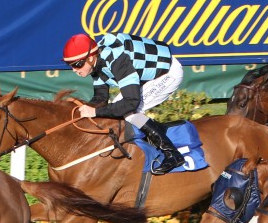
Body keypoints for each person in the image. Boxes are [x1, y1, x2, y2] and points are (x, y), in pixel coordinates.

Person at [62, 32, 184, 175]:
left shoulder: (117, 60)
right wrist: (81, 112)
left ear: (90, 58)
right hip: (147, 74)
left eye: (77, 64)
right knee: (116, 106)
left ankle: (173, 154)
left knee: (130, 112)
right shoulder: (96, 62)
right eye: (70, 65)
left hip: (167, 73)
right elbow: (101, 99)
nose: (74, 70)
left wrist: (94, 112)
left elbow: (131, 102)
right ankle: (157, 131)